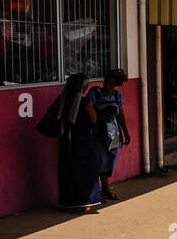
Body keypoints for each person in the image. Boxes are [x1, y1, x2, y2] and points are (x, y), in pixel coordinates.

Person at [42, 73, 103, 211]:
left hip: (65, 139)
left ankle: (68, 202)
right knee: (85, 171)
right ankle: (84, 202)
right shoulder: (85, 102)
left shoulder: (61, 99)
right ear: (85, 87)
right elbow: (94, 120)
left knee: (67, 170)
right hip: (83, 141)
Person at [85, 68, 131, 201]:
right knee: (100, 161)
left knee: (110, 161)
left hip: (113, 132)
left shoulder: (117, 96)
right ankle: (98, 192)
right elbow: (88, 113)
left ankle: (105, 189)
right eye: (116, 82)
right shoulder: (95, 93)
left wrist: (125, 133)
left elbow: (120, 115)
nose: (116, 85)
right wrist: (104, 115)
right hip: (99, 133)